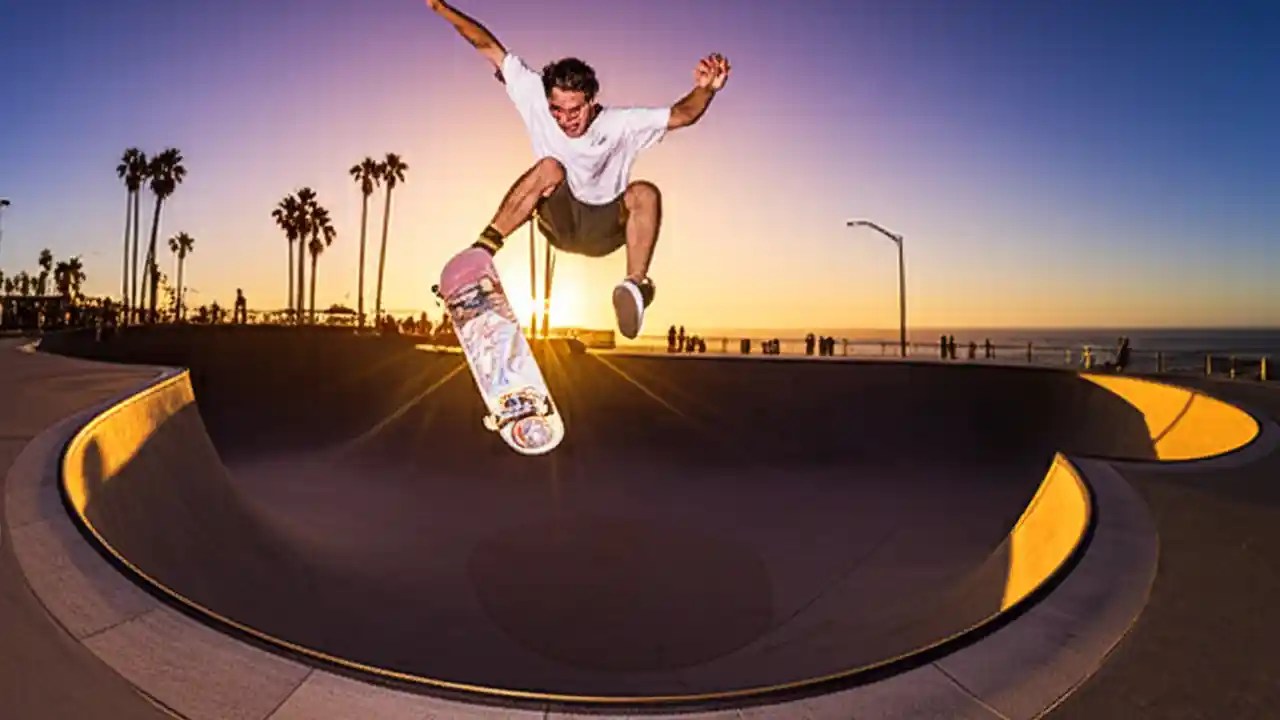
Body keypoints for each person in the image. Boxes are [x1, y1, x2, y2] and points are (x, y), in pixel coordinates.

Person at [425, 0, 731, 339]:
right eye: (557, 110)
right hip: (560, 221)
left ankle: (633, 286)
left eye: (575, 111)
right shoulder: (533, 94)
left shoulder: (621, 124)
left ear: (592, 100)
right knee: (550, 167)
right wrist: (440, 7)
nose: (565, 120)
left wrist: (706, 90)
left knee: (645, 193)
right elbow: (487, 45)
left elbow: (681, 115)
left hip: (605, 229)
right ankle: (482, 250)